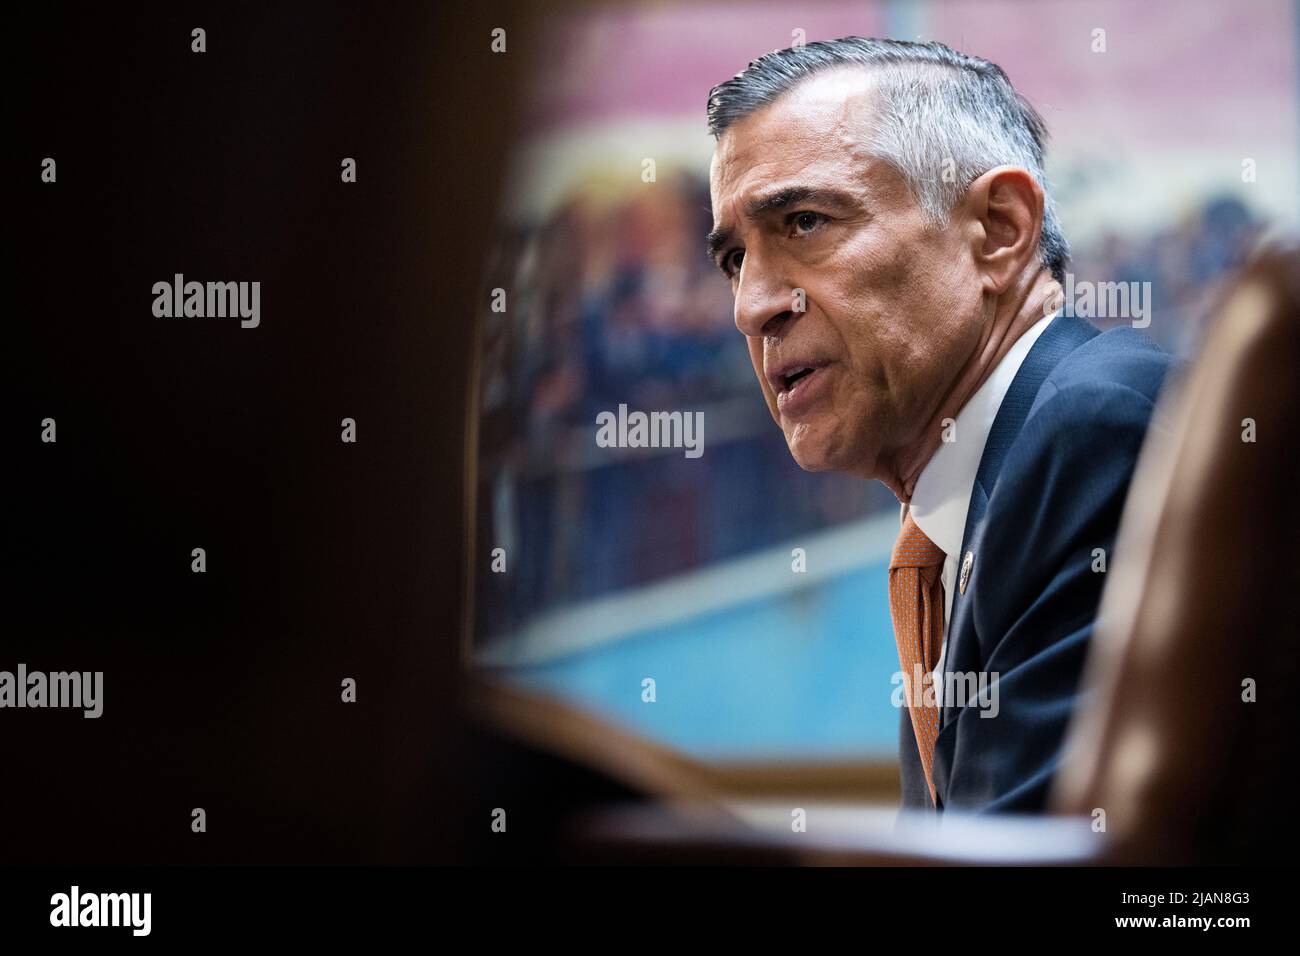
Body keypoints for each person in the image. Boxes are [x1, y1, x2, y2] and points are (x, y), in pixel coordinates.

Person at [705, 37, 1174, 813]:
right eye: (733, 261)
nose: (752, 306)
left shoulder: (1098, 431)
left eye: (805, 221)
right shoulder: (951, 532)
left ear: (998, 227)